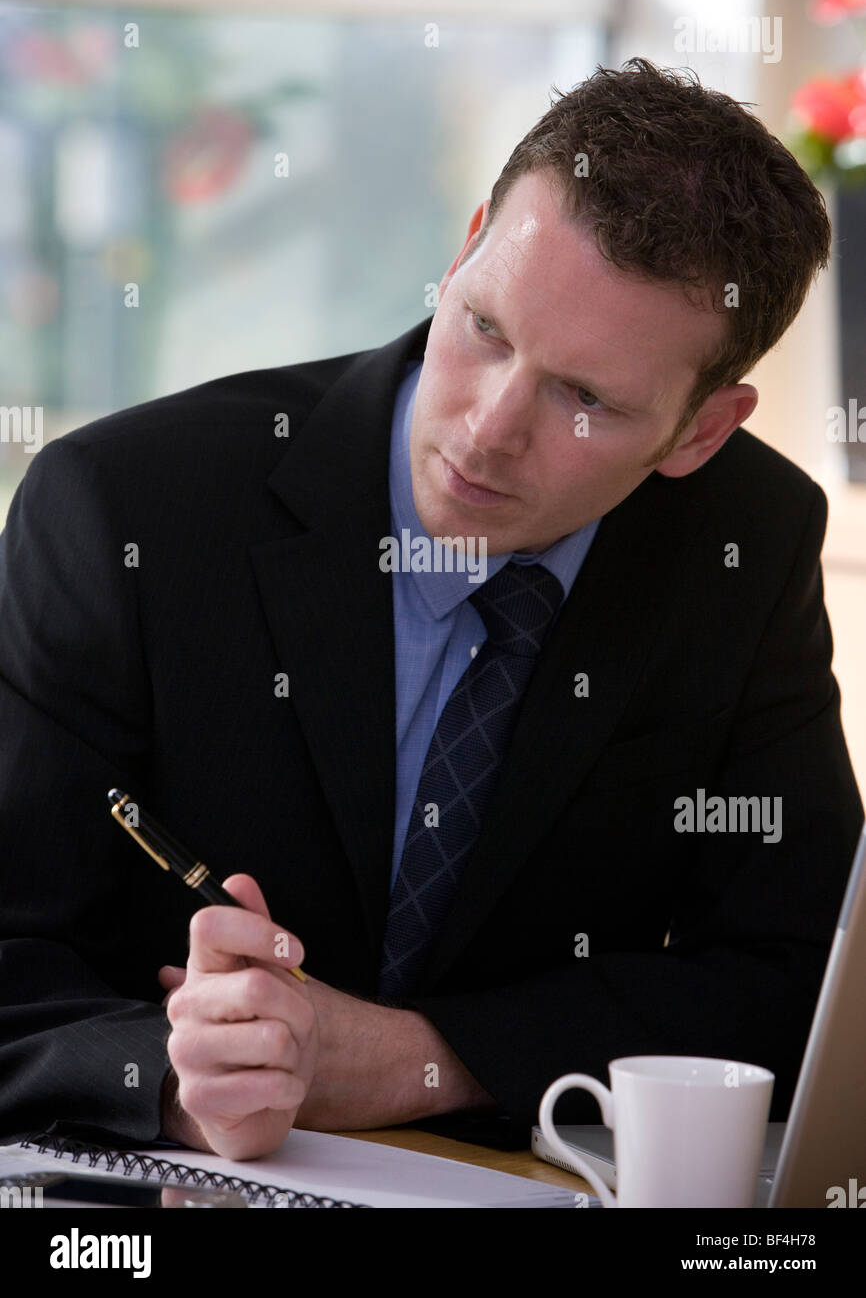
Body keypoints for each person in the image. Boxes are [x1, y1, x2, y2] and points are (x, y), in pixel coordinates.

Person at [0, 58, 861, 1162]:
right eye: (487, 330)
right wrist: (173, 1080)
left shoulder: (750, 540)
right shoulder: (124, 507)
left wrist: (420, 1056)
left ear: (701, 431)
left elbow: (801, 982)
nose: (487, 429)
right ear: (463, 247)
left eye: (585, 398)